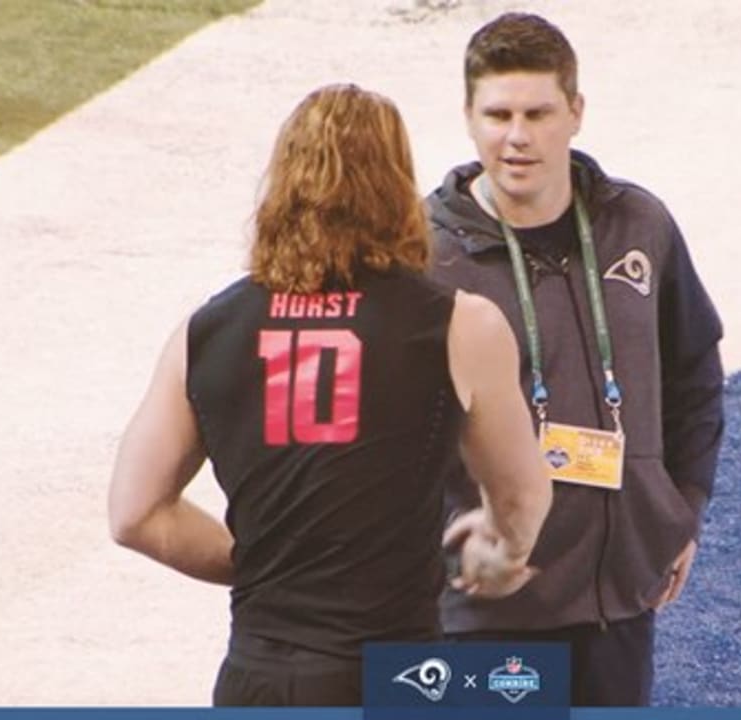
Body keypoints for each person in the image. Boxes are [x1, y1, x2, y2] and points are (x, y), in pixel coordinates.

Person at [108, 83, 552, 707]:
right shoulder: (460, 324)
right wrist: (502, 549)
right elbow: (522, 493)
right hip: (393, 676)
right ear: (397, 185)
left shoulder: (204, 330)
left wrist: (268, 564)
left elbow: (134, 513)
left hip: (256, 672)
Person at [426, 13, 726, 706]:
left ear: (576, 113)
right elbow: (387, 436)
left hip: (614, 602)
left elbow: (694, 376)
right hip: (480, 610)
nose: (518, 136)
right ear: (469, 118)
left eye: (538, 112)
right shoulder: (425, 257)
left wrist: (680, 510)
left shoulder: (639, 226)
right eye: (497, 113)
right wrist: (444, 540)